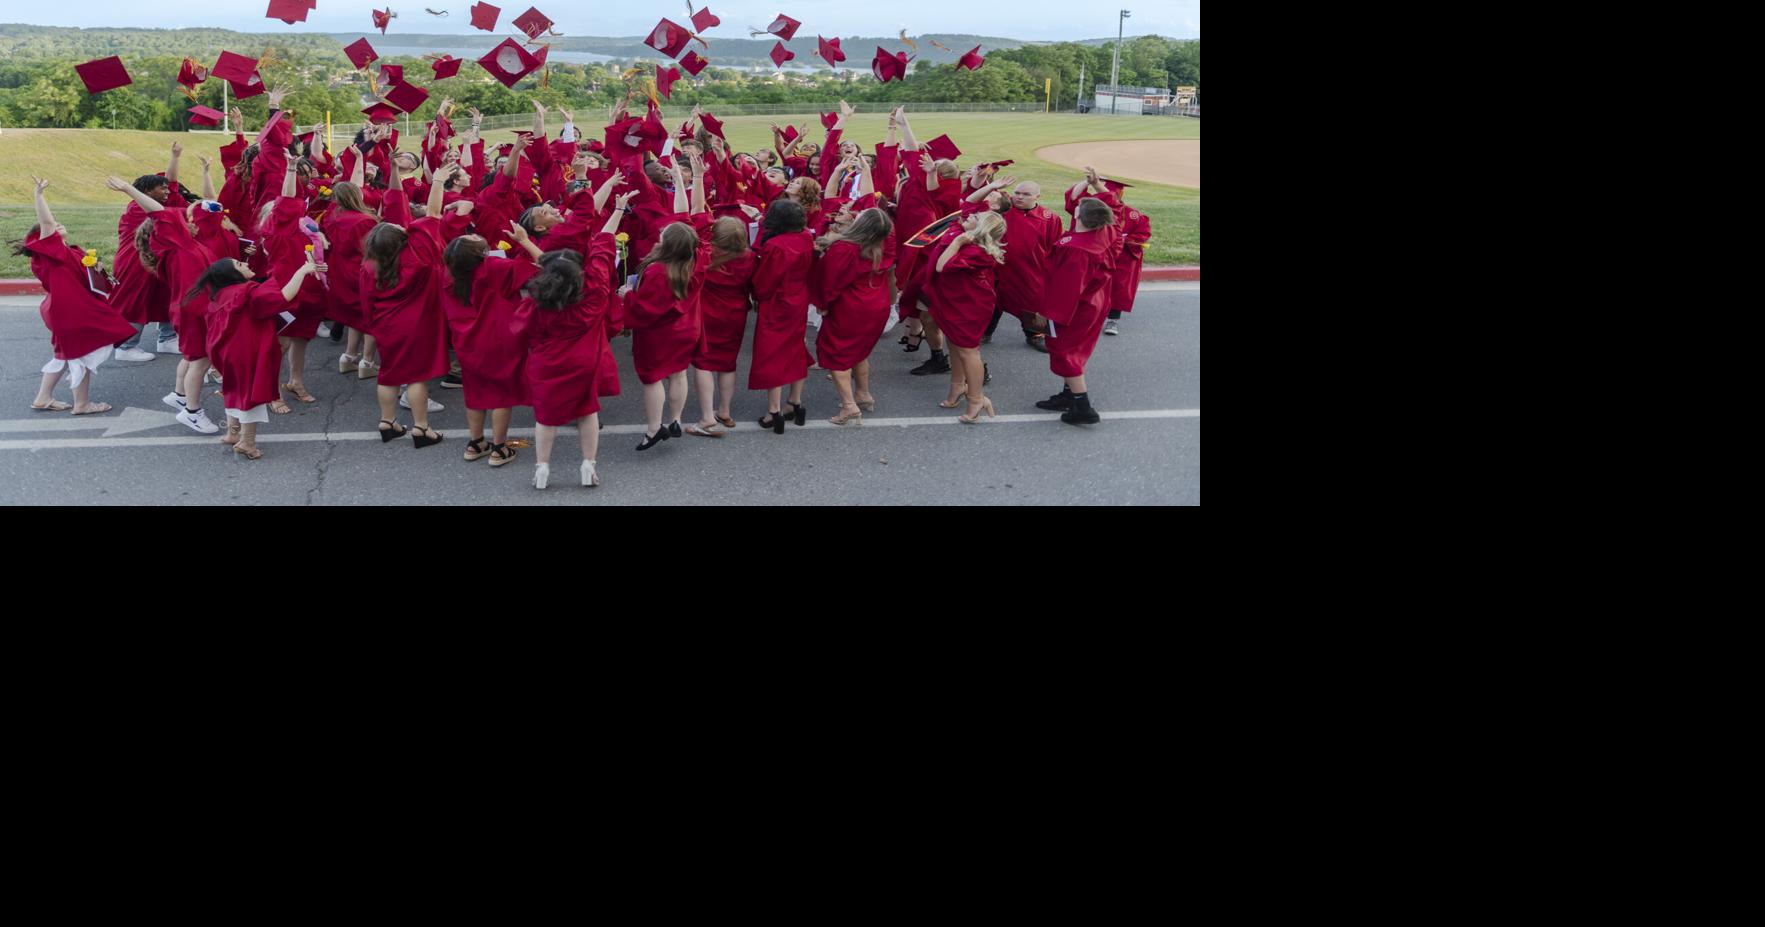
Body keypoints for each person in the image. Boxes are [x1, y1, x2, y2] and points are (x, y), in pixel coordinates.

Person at [510, 193, 635, 489]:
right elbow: (604, 247)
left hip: (546, 362)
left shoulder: (536, 303)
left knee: (546, 417)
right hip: (583, 361)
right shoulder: (593, 295)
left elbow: (520, 330)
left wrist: (524, 243)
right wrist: (617, 209)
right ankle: (588, 466)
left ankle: (542, 468)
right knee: (586, 413)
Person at [17, 177, 136, 416]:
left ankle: (43, 397)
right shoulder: (49, 254)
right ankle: (82, 404)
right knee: (83, 352)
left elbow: (88, 279)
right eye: (51, 228)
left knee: (65, 354)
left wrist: (98, 271)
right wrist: (39, 196)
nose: (56, 226)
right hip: (70, 311)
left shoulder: (68, 251)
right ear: (42, 239)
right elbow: (47, 223)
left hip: (66, 309)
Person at [194, 252, 328, 459]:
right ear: (232, 275)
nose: (245, 263)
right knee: (250, 397)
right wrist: (303, 271)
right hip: (248, 352)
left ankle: (232, 433)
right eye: (239, 264)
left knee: (233, 390)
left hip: (227, 353)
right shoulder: (247, 293)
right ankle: (247, 442)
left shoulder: (221, 295)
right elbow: (283, 297)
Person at [360, 163, 457, 448]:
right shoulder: (419, 254)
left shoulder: (369, 265)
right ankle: (421, 428)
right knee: (417, 377)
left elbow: (366, 303)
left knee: (389, 373)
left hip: (386, 324)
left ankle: (387, 422)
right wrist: (437, 181)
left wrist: (373, 325)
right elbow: (434, 215)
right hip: (418, 324)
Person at [621, 156, 712, 448]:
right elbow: (689, 216)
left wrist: (627, 296)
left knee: (652, 379)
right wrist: (686, 180)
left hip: (660, 333)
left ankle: (653, 427)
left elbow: (645, 309)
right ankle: (675, 420)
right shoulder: (698, 258)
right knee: (678, 374)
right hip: (688, 327)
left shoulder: (660, 271)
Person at [1035, 196, 1118, 426]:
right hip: (1095, 301)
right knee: (1076, 349)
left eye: (1077, 209)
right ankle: (1069, 394)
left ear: (1079, 216)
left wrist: (1046, 312)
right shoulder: (1103, 232)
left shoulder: (1077, 250)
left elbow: (1066, 289)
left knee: (1065, 350)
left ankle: (1083, 407)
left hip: (1076, 307)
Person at [812, 207, 895, 425]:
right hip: (878, 304)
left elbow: (830, 280)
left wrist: (823, 304)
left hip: (852, 306)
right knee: (859, 351)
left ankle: (849, 406)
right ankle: (863, 394)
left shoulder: (845, 248)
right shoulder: (883, 245)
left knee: (836, 353)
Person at [928, 210, 1007, 424]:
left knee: (968, 351)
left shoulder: (975, 251)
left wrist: (956, 243)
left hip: (969, 307)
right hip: (957, 302)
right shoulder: (971, 245)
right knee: (955, 346)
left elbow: (941, 266)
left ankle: (976, 399)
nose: (967, 217)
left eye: (973, 218)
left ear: (979, 228)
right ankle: (957, 387)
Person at [749, 199, 816, 434]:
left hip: (777, 303)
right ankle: (795, 402)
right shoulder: (806, 237)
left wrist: (755, 294)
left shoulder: (775, 246)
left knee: (772, 355)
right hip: (799, 298)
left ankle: (774, 411)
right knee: (796, 348)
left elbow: (766, 281)